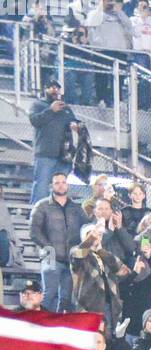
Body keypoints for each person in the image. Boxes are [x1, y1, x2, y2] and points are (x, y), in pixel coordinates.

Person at [29, 173, 80, 314]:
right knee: (49, 293)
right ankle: (39, 323)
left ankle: (59, 328)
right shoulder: (42, 206)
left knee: (66, 298)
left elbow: (86, 227)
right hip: (51, 256)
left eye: (63, 182)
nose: (61, 185)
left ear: (67, 185)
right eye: (57, 182)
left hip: (71, 259)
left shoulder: (75, 208)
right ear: (52, 185)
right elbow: (34, 232)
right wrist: (49, 248)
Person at [28, 80, 81, 207]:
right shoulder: (38, 104)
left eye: (57, 88)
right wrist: (51, 110)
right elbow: (35, 120)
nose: (54, 90)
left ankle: (54, 211)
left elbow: (75, 122)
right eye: (51, 87)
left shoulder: (66, 108)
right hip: (45, 153)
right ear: (45, 90)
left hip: (64, 156)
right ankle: (37, 211)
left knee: (60, 187)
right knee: (42, 184)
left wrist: (77, 126)